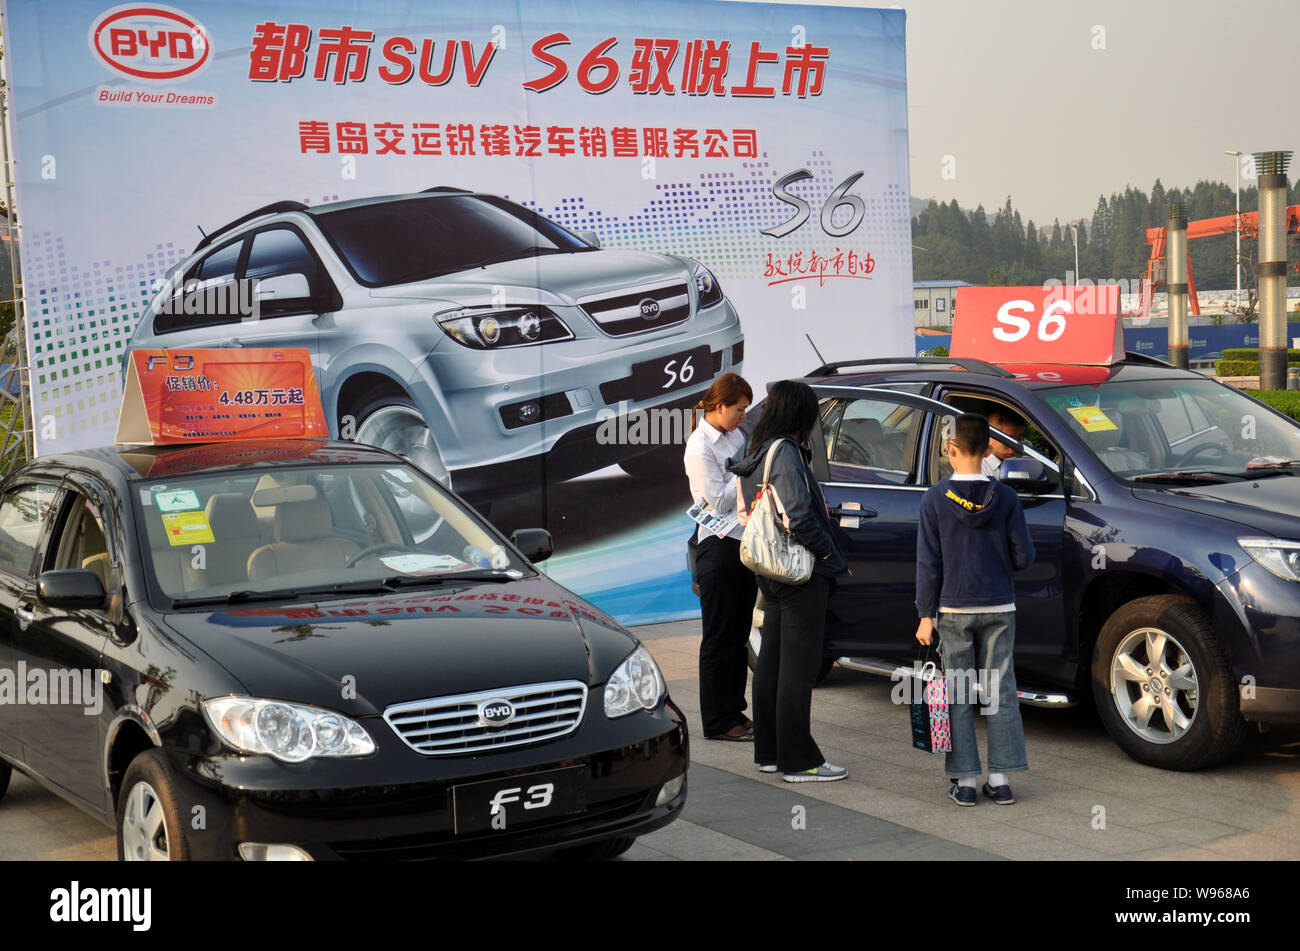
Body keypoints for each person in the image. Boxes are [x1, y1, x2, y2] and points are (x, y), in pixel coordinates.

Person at [729, 380, 849, 782]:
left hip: (769, 568)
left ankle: (770, 751)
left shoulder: (757, 450)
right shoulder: (786, 453)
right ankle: (800, 761)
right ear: (802, 414)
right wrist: (829, 554)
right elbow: (797, 515)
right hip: (799, 571)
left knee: (773, 663)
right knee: (797, 668)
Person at [915, 412, 1035, 806]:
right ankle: (1001, 779)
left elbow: (928, 563)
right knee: (1000, 690)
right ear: (987, 451)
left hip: (952, 608)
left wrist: (925, 615)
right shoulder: (1007, 498)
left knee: (959, 692)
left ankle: (965, 781)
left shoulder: (933, 500)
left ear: (951, 450)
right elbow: (1024, 556)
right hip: (1000, 605)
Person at [683, 372, 755, 741]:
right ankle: (717, 721)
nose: (743, 416)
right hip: (718, 545)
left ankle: (735, 713)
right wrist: (745, 470)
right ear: (719, 405)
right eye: (739, 409)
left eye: (746, 410)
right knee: (718, 638)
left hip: (742, 542)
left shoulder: (736, 436)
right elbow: (720, 500)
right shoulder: (700, 446)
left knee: (738, 635)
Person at [981, 406, 1026, 478]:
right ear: (989, 436)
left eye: (1019, 439)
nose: (1014, 447)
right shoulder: (977, 469)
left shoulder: (1022, 460)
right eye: (1008, 440)